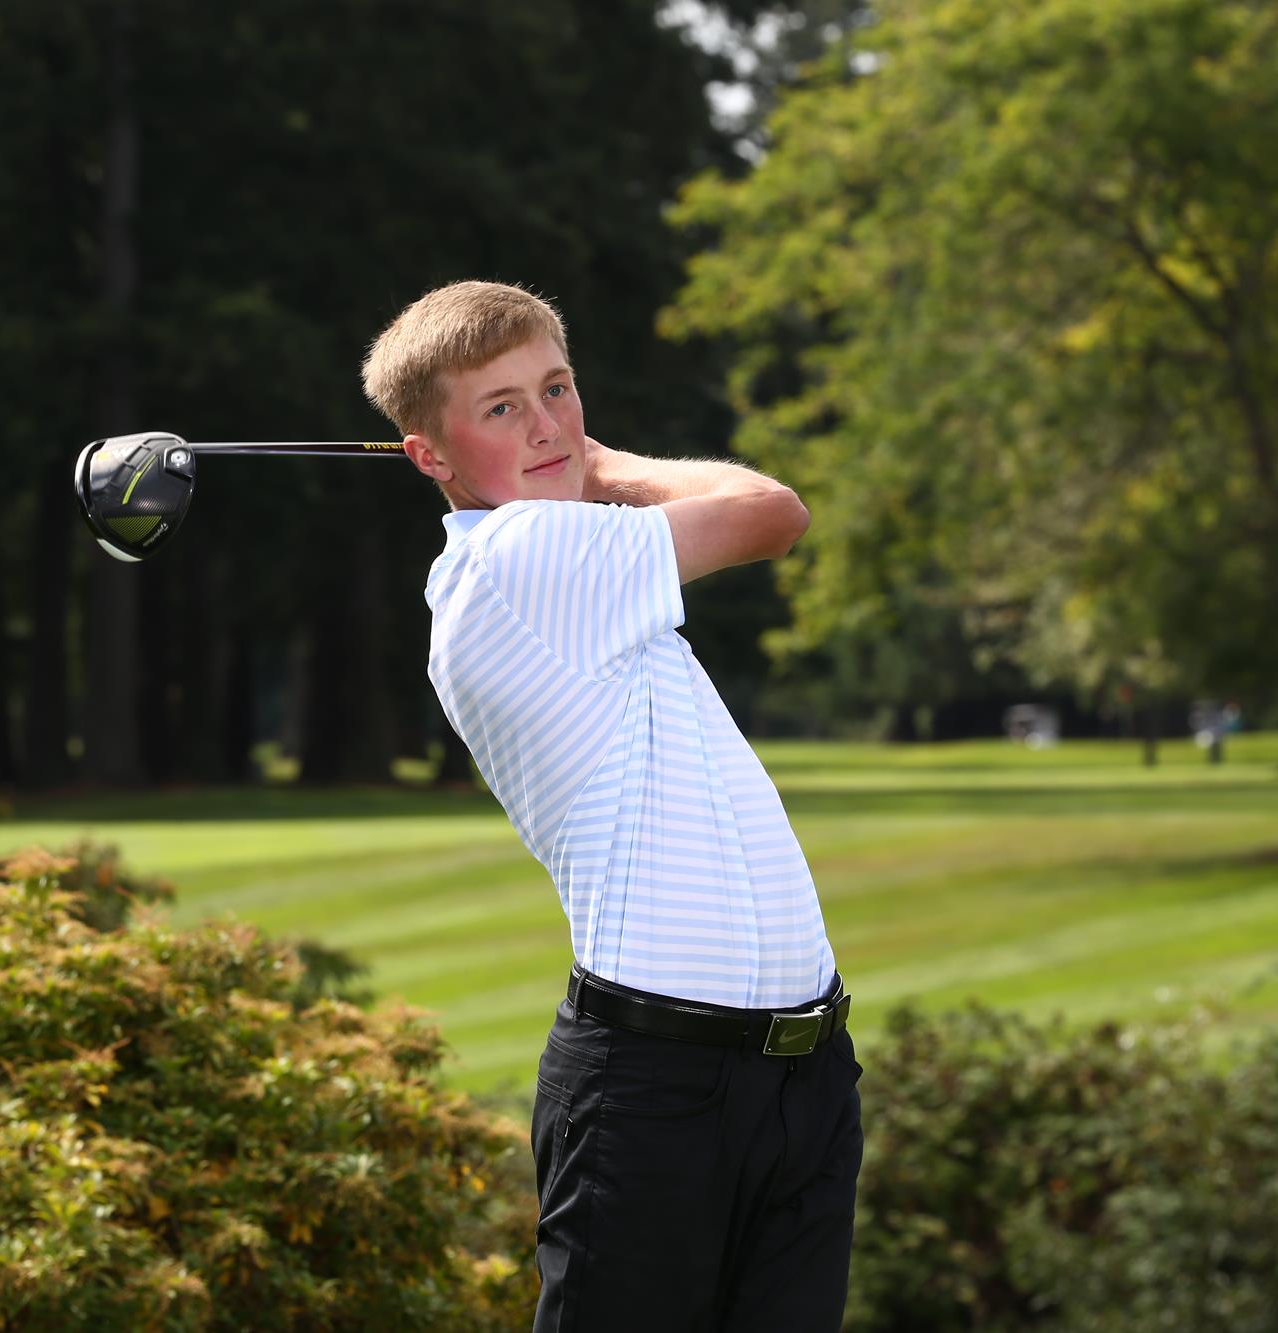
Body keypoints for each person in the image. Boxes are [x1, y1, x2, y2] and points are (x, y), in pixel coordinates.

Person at [361, 280, 862, 1331]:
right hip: (657, 1085)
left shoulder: (585, 573)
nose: (545, 425)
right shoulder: (515, 561)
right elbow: (771, 511)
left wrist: (567, 475)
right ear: (429, 457)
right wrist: (607, 468)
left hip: (801, 1074)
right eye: (500, 408)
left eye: (556, 388)